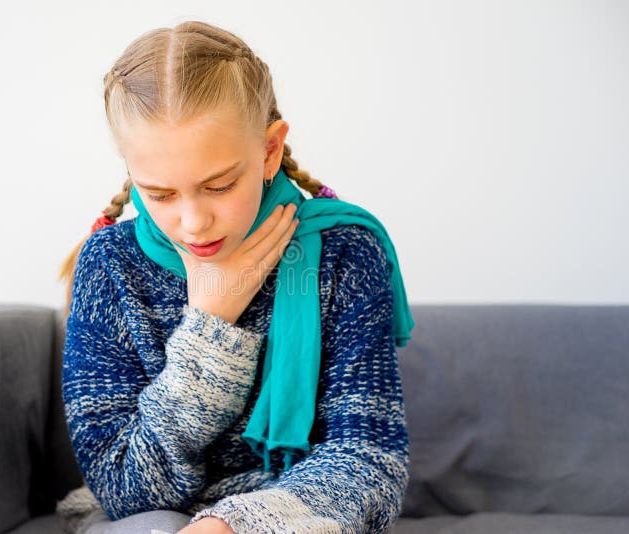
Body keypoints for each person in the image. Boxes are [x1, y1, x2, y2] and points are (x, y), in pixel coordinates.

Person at [55, 20, 415, 534]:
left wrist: (234, 526)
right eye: (159, 194)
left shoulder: (345, 254)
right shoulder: (110, 267)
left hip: (297, 519)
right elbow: (123, 491)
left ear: (269, 151)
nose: (193, 221)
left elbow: (369, 458)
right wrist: (210, 322)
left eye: (219, 185)